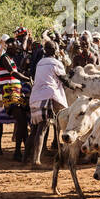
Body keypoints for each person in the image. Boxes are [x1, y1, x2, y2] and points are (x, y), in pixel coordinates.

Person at [27, 39, 69, 167]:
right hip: (48, 96)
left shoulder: (40, 62)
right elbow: (64, 80)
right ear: (54, 50)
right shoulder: (55, 63)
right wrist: (77, 85)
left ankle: (25, 158)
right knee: (43, 128)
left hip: (36, 96)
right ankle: (36, 161)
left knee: (35, 129)